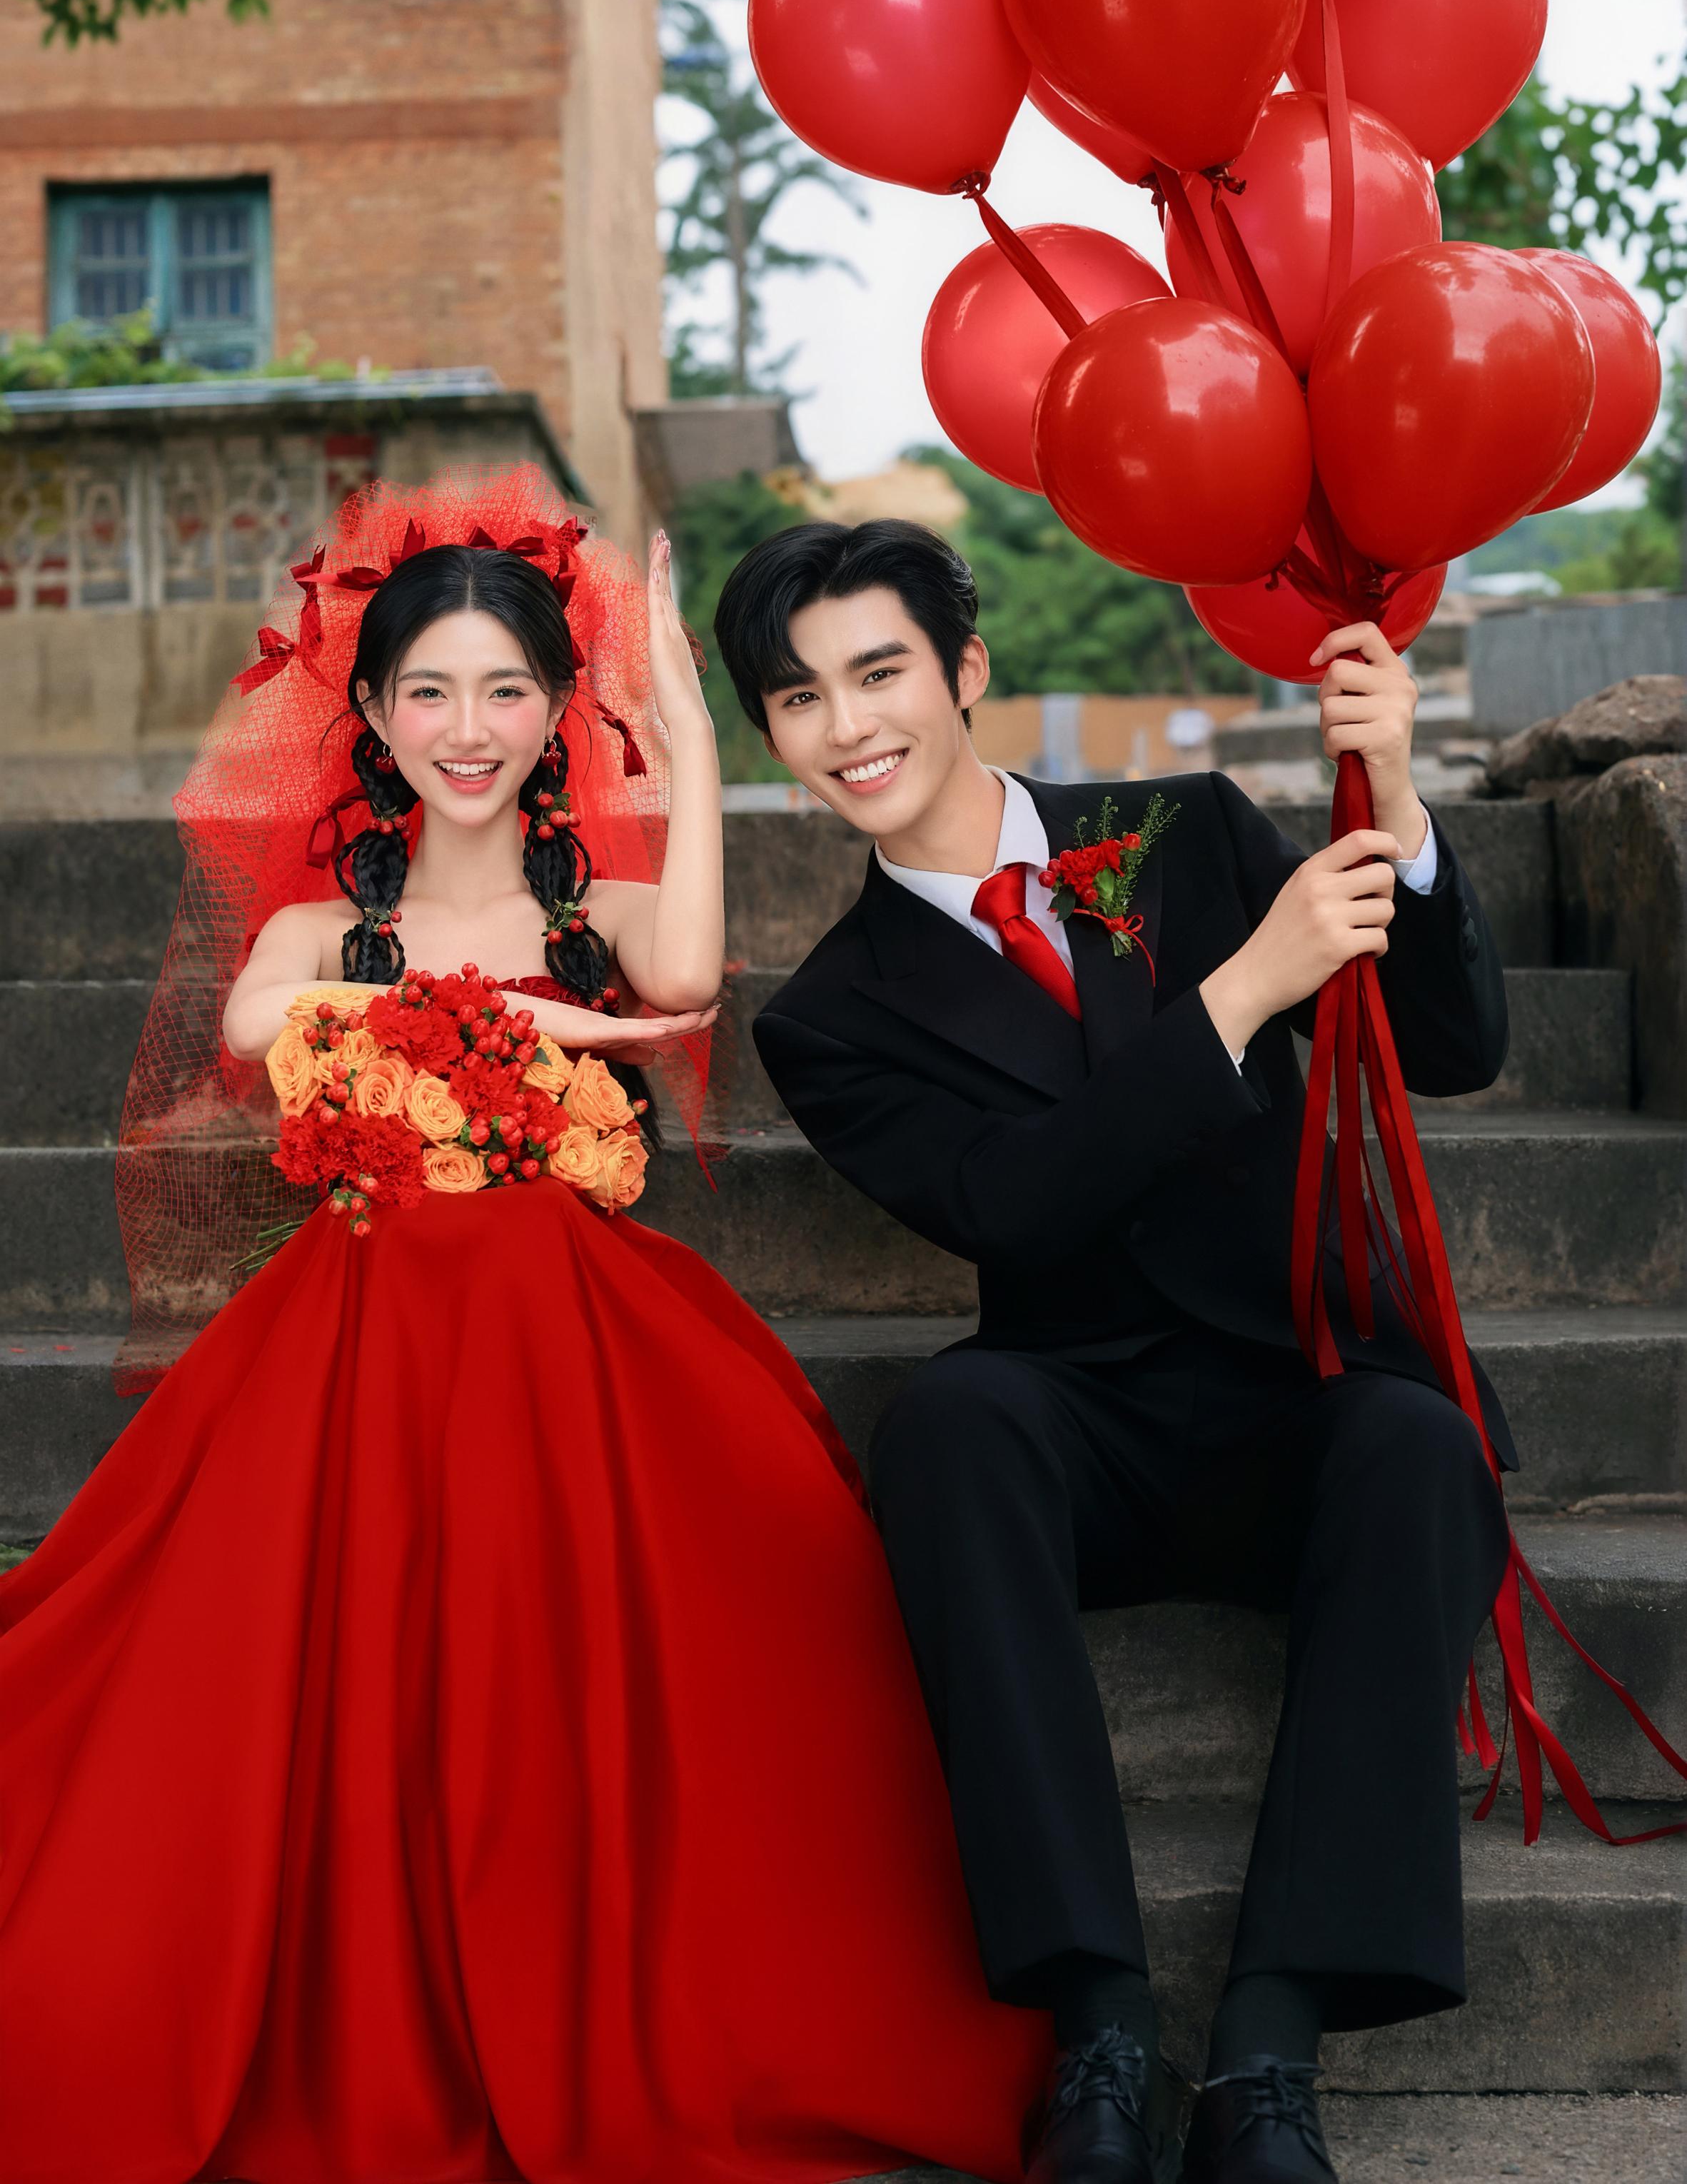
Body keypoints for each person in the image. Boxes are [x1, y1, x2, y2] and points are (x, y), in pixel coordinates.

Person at [0, 474, 1050, 2184]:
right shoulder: (311, 929)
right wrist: (513, 1020)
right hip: (357, 1339)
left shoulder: (600, 915)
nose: (468, 729)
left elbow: (688, 973)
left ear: (561, 710)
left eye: (508, 689)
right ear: (371, 712)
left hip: (563, 1332)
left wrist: (685, 734)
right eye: (429, 690)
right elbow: (259, 1025)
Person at [714, 518, 1516, 2184]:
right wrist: (1234, 998)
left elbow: (1450, 1043)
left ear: (966, 669)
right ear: (771, 731)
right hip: (1076, 1421)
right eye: (798, 698)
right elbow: (1013, 1199)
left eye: (879, 671)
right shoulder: (829, 1013)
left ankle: (1268, 2055)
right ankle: (1097, 2031)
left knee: (1422, 1443)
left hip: (1297, 1391)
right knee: (949, 1420)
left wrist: (1398, 799)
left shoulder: (1187, 828)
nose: (849, 726)